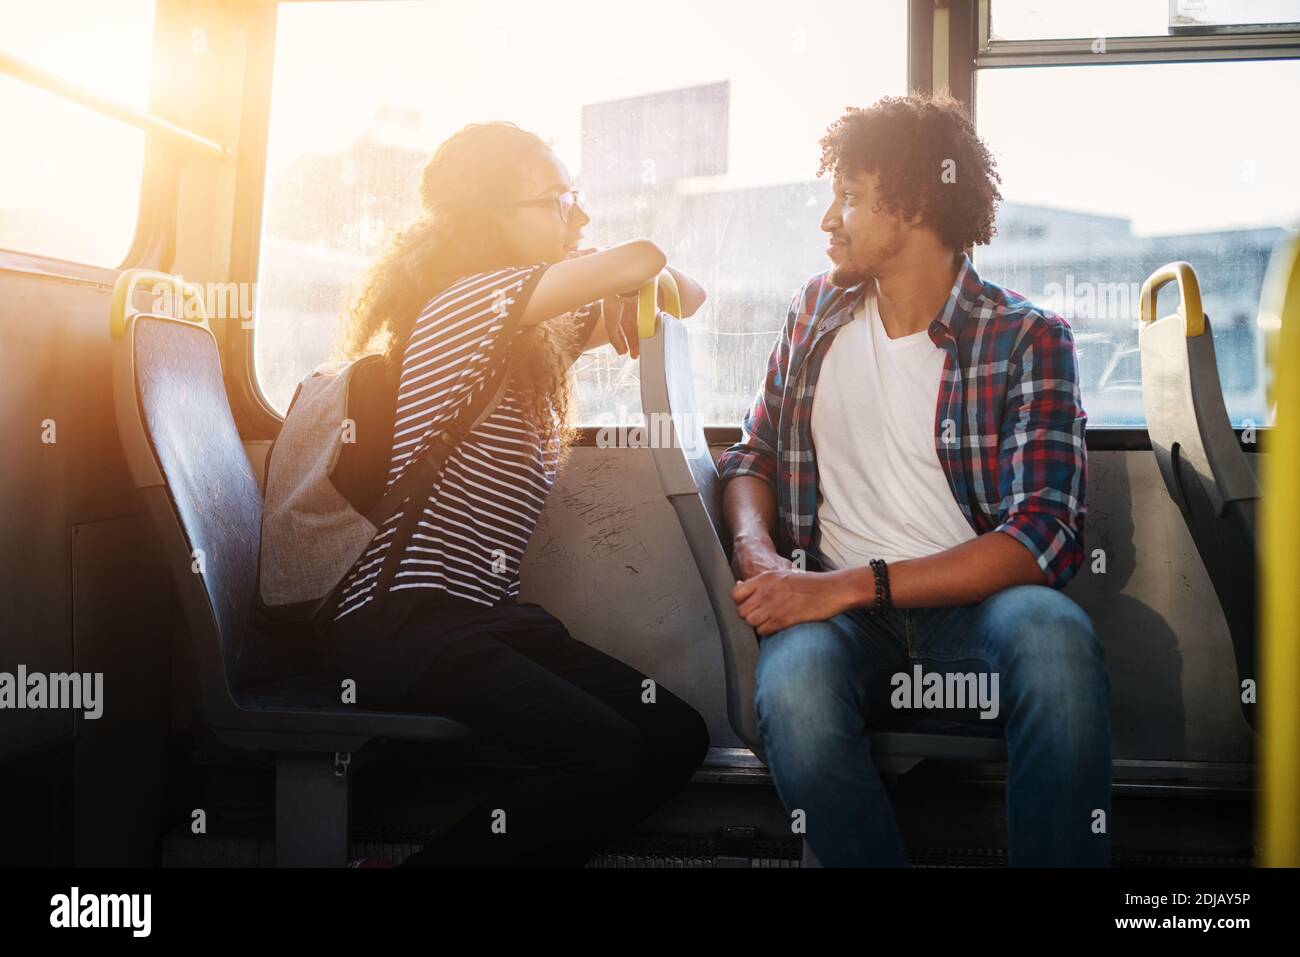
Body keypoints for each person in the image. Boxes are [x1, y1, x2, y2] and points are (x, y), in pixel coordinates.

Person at [717, 92, 1111, 866]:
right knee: (794, 692)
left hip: (976, 613)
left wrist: (842, 586)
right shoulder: (815, 313)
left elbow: (1042, 539)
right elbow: (751, 455)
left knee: (1057, 643)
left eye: (852, 199)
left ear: (918, 202)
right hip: (838, 618)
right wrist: (756, 548)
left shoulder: (1028, 336)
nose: (829, 219)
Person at [325, 121, 710, 867]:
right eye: (560, 201)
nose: (580, 218)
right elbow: (643, 258)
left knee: (673, 734)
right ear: (489, 217)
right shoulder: (465, 303)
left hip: (484, 617)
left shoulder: (532, 332)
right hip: (405, 614)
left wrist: (642, 284)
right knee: (601, 755)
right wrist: (633, 273)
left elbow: (683, 292)